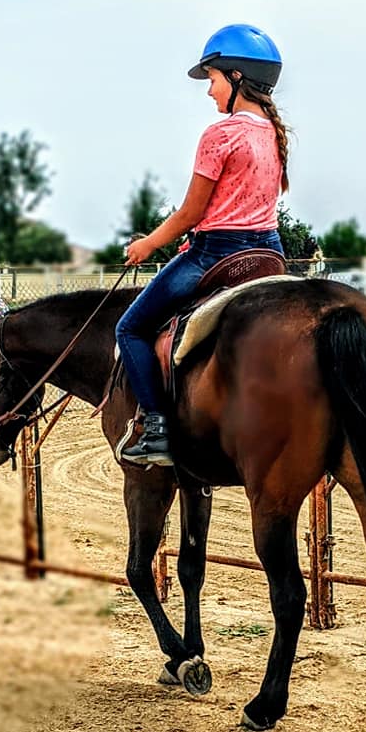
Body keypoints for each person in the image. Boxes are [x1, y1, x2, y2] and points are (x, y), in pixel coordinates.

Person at [116, 23, 291, 466]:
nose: (208, 92)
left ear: (234, 78)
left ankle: (156, 430)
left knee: (130, 329)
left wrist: (146, 246)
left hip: (216, 254)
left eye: (212, 80)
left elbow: (191, 215)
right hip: (268, 254)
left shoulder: (221, 135)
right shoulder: (272, 131)